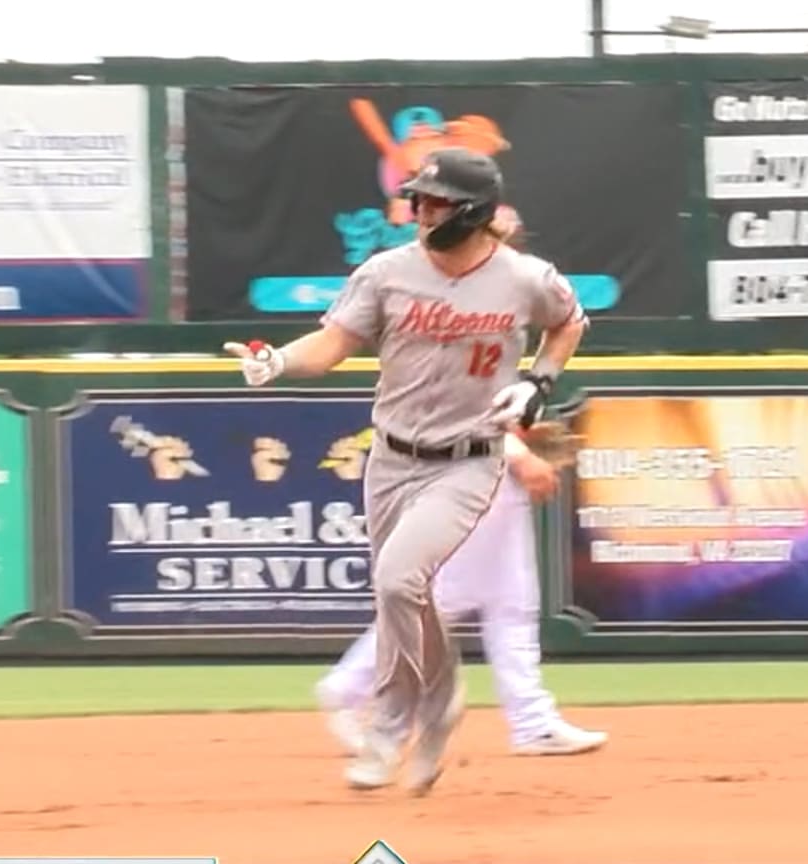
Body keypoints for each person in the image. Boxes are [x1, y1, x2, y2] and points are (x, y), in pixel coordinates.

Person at [228, 145, 588, 795]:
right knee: (399, 596)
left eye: (433, 200)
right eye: (417, 198)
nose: (419, 210)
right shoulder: (385, 273)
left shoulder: (524, 277)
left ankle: (389, 729)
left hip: (468, 461)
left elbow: (568, 323)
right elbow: (333, 345)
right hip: (390, 459)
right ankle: (441, 700)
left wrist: (539, 382)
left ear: (471, 209)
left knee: (400, 580)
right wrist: (276, 362)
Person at [315, 426, 608, 758]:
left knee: (510, 602)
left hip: (491, 472)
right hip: (469, 469)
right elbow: (467, 411)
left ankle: (532, 721)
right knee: (447, 598)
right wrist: (519, 452)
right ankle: (348, 687)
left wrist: (521, 432)